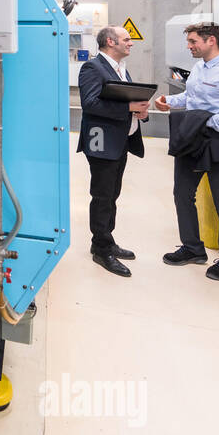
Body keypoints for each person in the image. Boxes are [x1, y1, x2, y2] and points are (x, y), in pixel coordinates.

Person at [155, 22, 219, 280]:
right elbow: (192, 99)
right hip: (194, 139)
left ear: (211, 40)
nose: (189, 47)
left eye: (193, 42)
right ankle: (192, 248)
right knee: (182, 193)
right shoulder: (199, 68)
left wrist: (208, 121)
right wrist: (170, 102)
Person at [76, 25, 150, 277]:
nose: (131, 43)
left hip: (120, 141)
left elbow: (121, 100)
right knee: (102, 195)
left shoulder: (120, 69)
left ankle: (107, 240)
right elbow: (91, 103)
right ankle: (100, 249)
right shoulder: (92, 68)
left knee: (113, 194)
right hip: (102, 142)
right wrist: (129, 107)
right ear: (110, 41)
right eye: (126, 39)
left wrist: (140, 111)